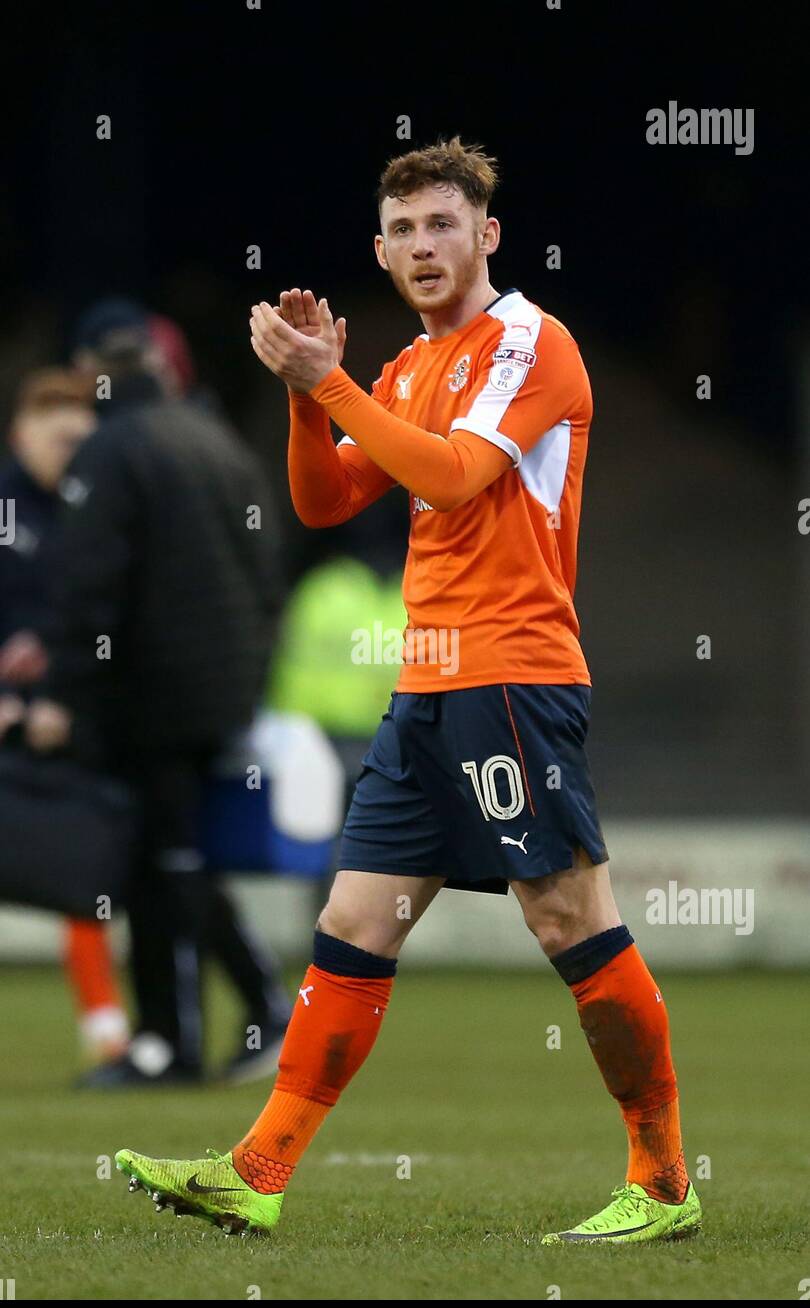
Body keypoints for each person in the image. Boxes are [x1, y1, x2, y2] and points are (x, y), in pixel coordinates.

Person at [115, 137, 702, 1244]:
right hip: (425, 684)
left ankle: (665, 1179)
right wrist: (305, 403)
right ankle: (258, 1168)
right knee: (354, 920)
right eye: (404, 230)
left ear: (488, 235)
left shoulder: (532, 341)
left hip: (513, 674)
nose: (425, 245)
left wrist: (324, 378)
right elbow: (329, 499)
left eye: (445, 224)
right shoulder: (410, 368)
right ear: (379, 252)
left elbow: (454, 475)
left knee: (569, 915)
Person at [33, 299, 291, 1086]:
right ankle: (259, 1006)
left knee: (156, 866)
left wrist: (64, 692)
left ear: (88, 374)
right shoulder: (214, 440)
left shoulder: (112, 451)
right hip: (218, 694)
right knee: (181, 859)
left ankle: (167, 1043)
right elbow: (266, 574)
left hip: (148, 699)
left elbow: (88, 589)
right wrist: (247, 683)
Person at [0, 368, 132, 1064]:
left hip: (66, 725)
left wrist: (65, 693)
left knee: (85, 866)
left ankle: (107, 1028)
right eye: (60, 438)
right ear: (23, 433)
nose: (71, 452)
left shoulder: (92, 507)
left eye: (84, 439)